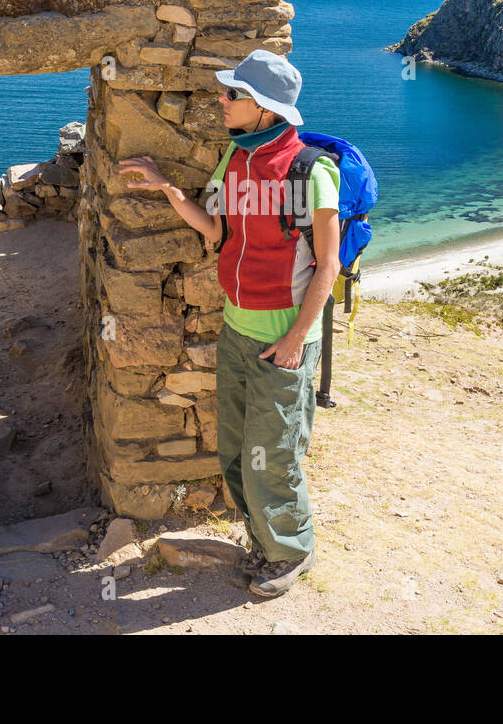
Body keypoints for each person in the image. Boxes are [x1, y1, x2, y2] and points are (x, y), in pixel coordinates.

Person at [118, 49, 340, 597]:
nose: (222, 100)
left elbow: (329, 264)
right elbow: (217, 232)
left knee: (276, 454)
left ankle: (290, 552)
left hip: (283, 340)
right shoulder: (235, 161)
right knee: (237, 449)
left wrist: (294, 340)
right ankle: (265, 541)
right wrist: (166, 186)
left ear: (264, 109)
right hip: (238, 331)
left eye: (233, 95)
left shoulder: (311, 171)